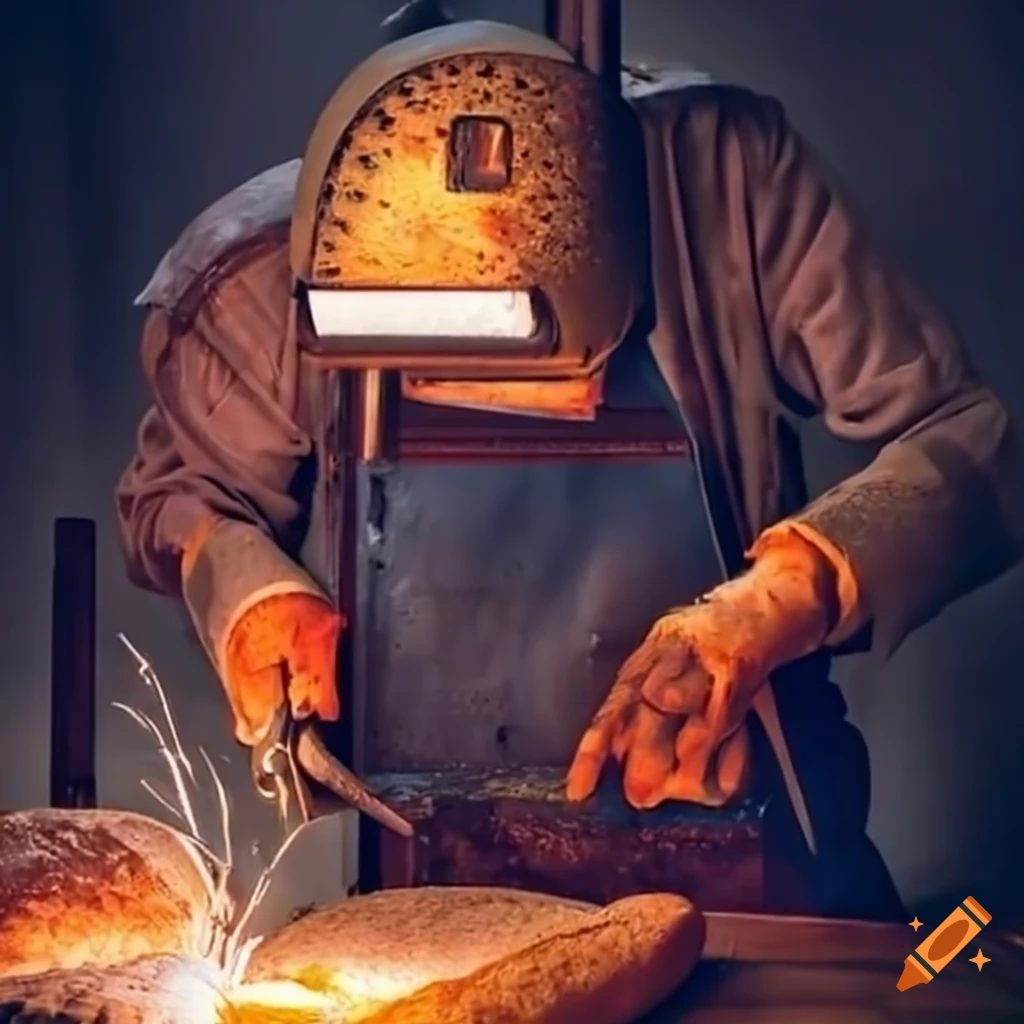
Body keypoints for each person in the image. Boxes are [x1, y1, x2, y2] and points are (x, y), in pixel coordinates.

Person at [117, 8, 1021, 919]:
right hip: (425, 887)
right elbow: (180, 496)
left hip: (760, 860)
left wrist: (774, 601)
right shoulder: (268, 275)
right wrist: (240, 582)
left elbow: (972, 440)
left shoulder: (721, 184)